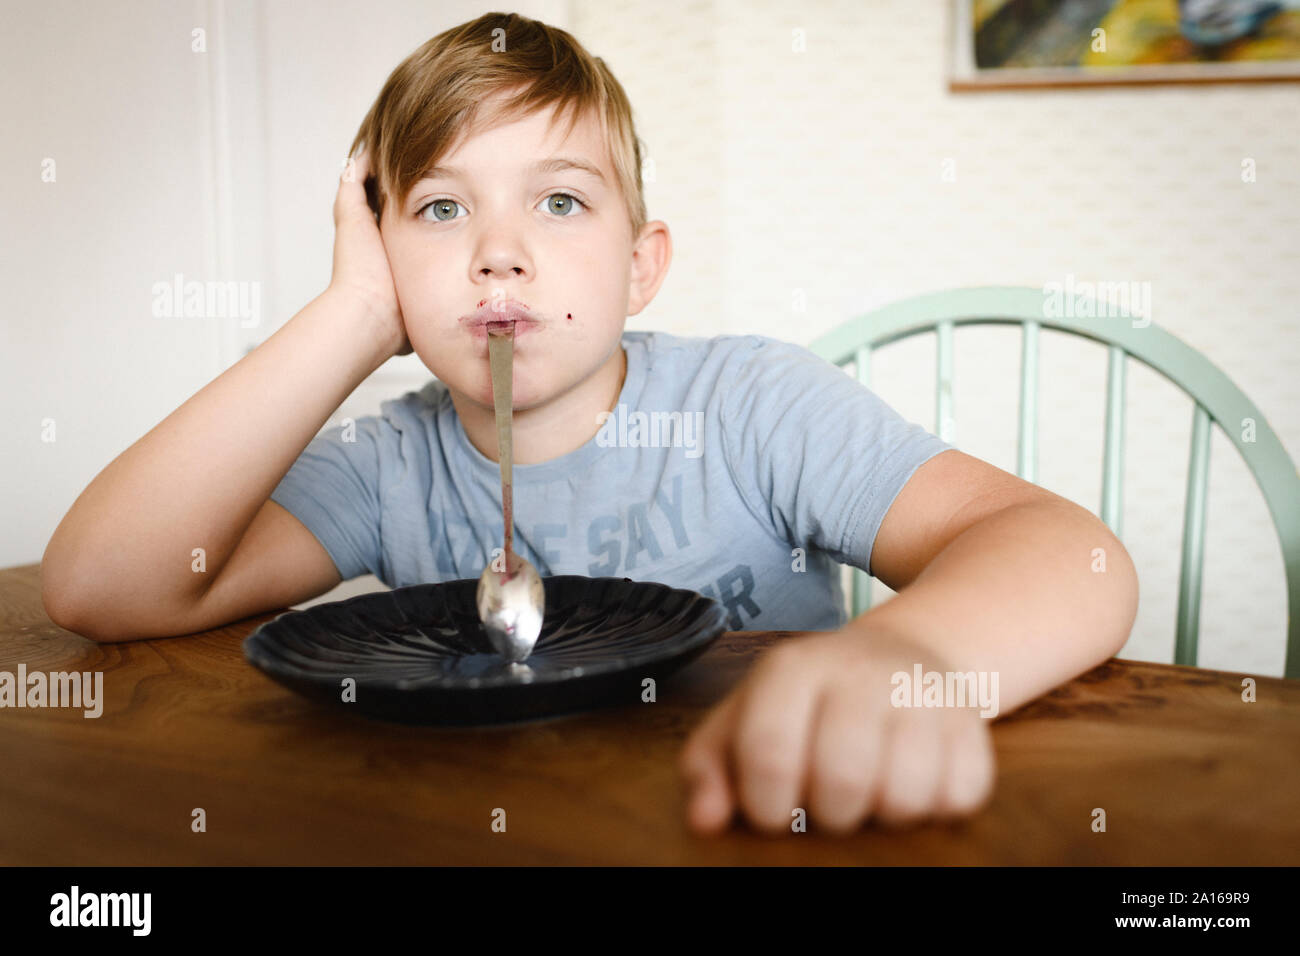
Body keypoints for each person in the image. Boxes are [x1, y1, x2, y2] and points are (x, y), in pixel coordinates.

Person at [42, 11, 1139, 838]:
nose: (497, 252)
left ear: (640, 264)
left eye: (559, 201)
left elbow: (1069, 555)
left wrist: (909, 657)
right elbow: (103, 584)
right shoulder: (387, 463)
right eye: (440, 208)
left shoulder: (753, 407)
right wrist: (354, 316)